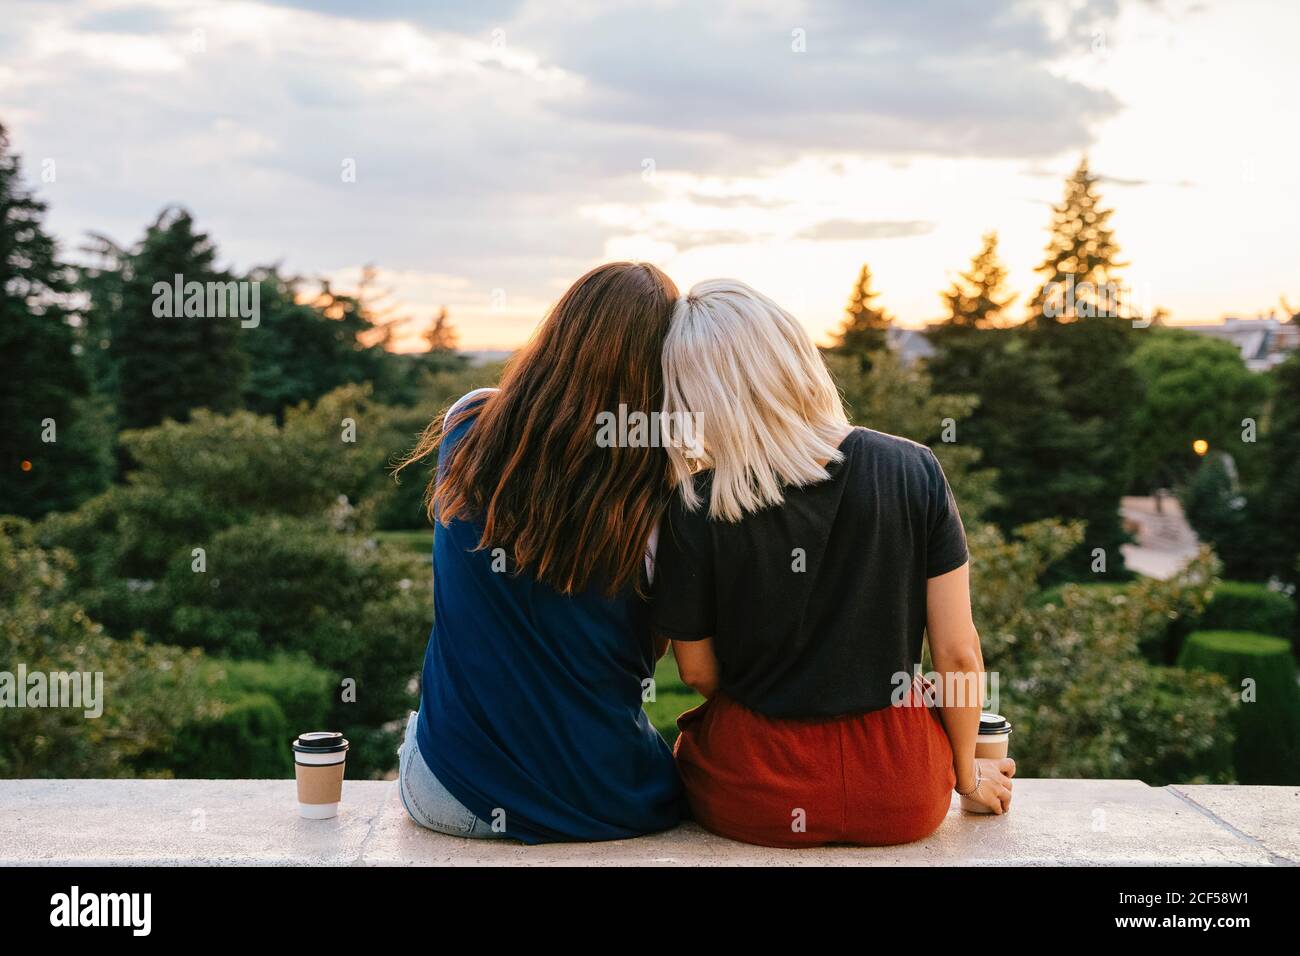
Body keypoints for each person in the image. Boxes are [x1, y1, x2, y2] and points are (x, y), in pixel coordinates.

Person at [652, 279, 1015, 848]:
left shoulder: (694, 503)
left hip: (753, 794)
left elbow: (697, 673)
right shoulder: (913, 469)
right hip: (901, 793)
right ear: (794, 356)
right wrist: (965, 777)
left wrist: (773, 703)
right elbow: (959, 654)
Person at [393, 262, 685, 844]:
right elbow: (648, 651)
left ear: (558, 330)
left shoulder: (467, 425)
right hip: (608, 800)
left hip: (449, 794)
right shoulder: (662, 495)